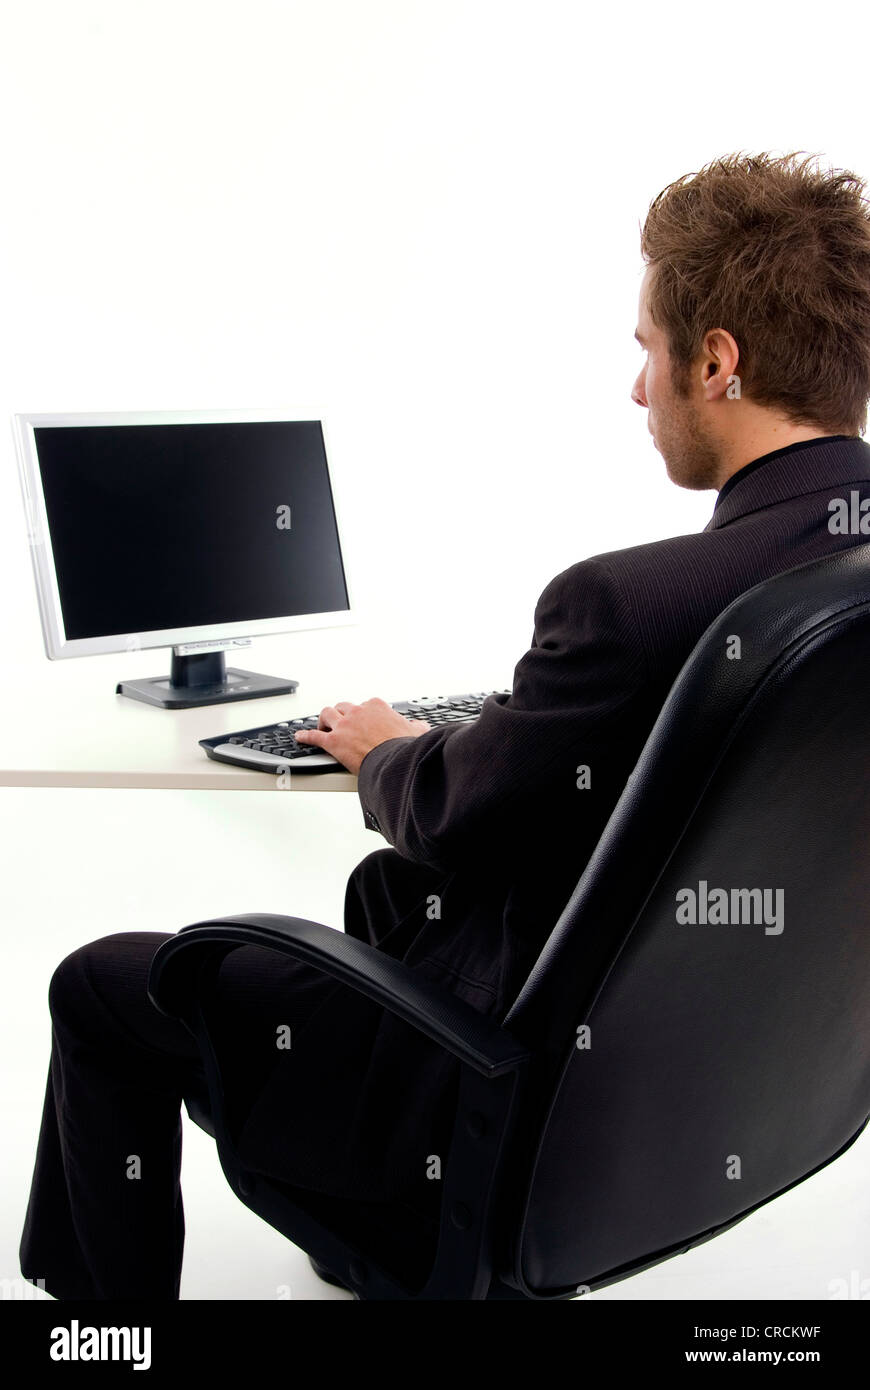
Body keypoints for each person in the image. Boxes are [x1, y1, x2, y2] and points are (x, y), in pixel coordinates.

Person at [20, 151, 870, 1299]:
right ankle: (379, 1240)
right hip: (714, 1095)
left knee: (101, 982)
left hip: (510, 1102)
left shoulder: (626, 606)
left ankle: (107, 1335)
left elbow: (455, 809)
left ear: (716, 360)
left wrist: (389, 752)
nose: (638, 389)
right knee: (390, 899)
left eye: (646, 351)